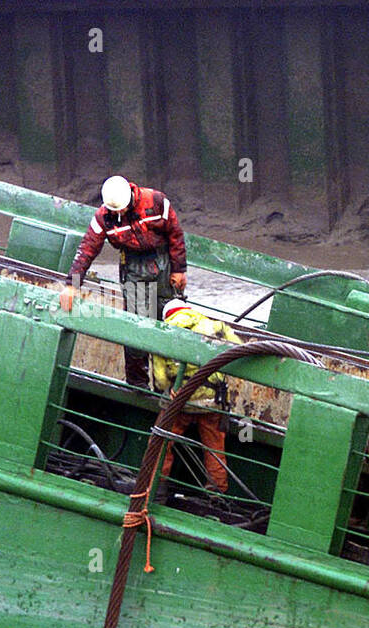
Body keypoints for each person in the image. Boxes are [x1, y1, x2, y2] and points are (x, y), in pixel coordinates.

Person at [61, 175, 187, 388]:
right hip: (133, 267)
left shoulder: (155, 201)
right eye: (115, 210)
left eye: (122, 209)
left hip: (163, 262)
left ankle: (172, 387)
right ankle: (138, 386)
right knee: (137, 328)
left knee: (171, 320)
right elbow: (87, 249)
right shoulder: (103, 217)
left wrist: (179, 269)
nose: (119, 213)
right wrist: (72, 285)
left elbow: (175, 234)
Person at [151, 300, 242, 496]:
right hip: (212, 402)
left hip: (180, 401)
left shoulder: (164, 331)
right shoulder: (216, 326)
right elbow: (239, 349)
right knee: (214, 449)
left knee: (160, 443)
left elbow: (159, 380)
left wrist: (170, 389)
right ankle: (216, 495)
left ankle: (155, 488)